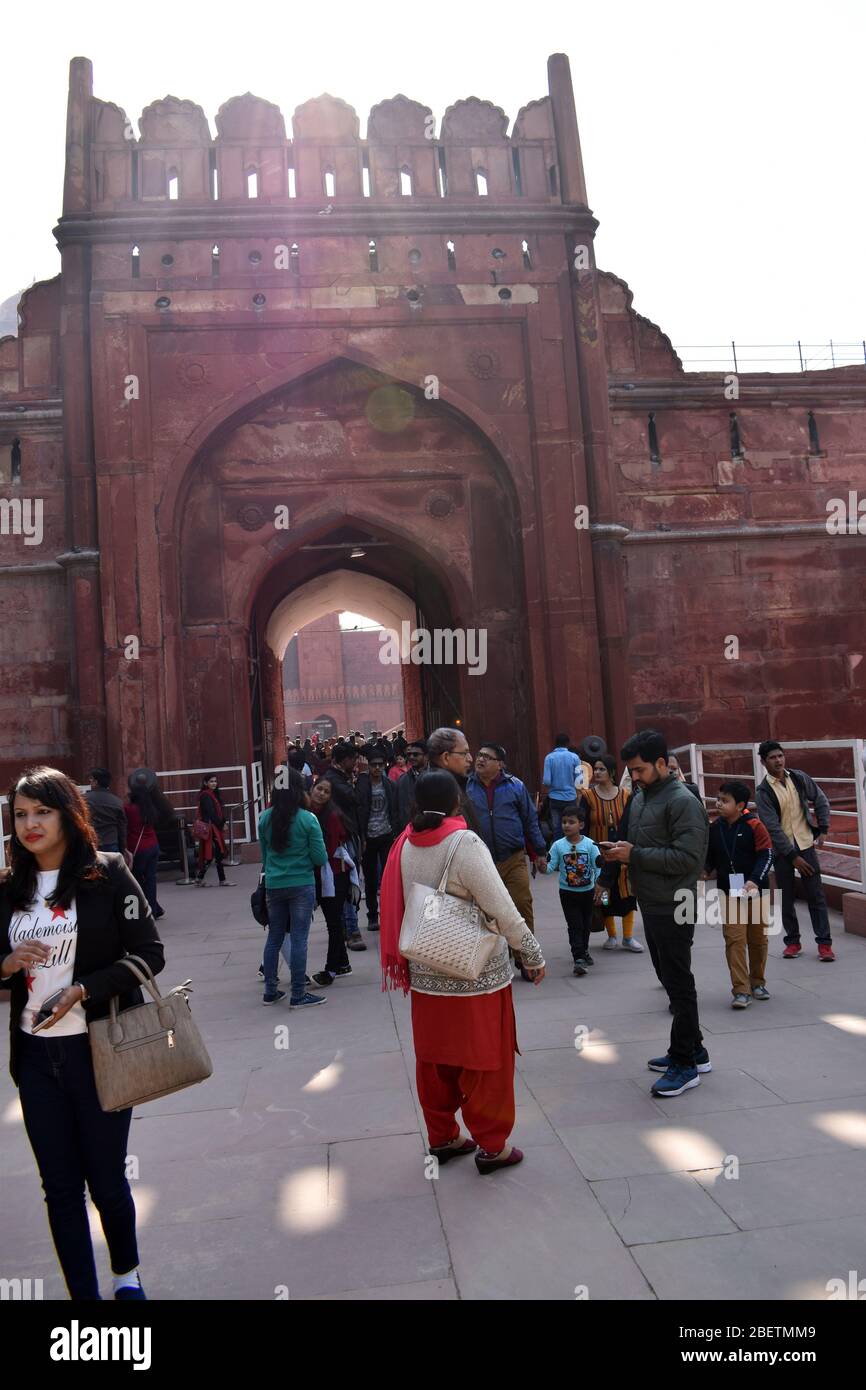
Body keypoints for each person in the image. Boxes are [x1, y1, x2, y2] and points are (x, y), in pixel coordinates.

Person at [0, 766, 164, 1301]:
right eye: (20, 814)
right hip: (35, 1059)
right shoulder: (9, 889)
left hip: (99, 1050)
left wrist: (84, 990)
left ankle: (126, 1276)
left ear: (68, 815)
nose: (30, 824)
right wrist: (6, 964)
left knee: (106, 1179)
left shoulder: (107, 873)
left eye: (42, 812)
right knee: (60, 1187)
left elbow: (150, 953)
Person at [379, 770, 546, 1174]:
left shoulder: (405, 843)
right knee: (485, 1060)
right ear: (457, 801)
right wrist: (531, 951)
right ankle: (492, 1146)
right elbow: (501, 907)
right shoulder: (464, 842)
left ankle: (443, 1136)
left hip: (427, 968)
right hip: (475, 974)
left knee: (436, 1059)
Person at [601, 729, 710, 1098]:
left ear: (662, 763)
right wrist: (621, 851)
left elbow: (688, 859)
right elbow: (642, 843)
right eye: (631, 771)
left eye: (640, 770)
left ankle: (685, 1063)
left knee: (678, 981)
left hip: (676, 901)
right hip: (651, 898)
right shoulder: (642, 796)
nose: (634, 777)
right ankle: (695, 1048)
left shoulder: (682, 800)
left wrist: (634, 855)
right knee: (667, 974)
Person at [466, 743, 547, 978]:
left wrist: (539, 851)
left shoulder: (515, 786)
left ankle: (526, 959)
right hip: (480, 861)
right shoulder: (466, 786)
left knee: (521, 905)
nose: (480, 759)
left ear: (500, 764)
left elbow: (530, 820)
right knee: (485, 913)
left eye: (487, 757)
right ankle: (493, 960)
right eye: (479, 755)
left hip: (513, 858)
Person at [755, 740, 834, 961]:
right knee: (786, 897)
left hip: (806, 844)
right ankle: (792, 942)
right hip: (782, 852)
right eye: (772, 758)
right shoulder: (763, 792)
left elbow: (821, 799)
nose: (778, 761)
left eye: (780, 756)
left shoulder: (798, 778)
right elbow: (772, 828)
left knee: (816, 895)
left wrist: (824, 828)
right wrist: (792, 857)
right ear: (763, 762)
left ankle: (824, 944)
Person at [257, 770, 328, 1008]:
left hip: (274, 884)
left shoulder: (264, 818)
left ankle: (270, 991)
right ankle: (298, 993)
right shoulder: (308, 819)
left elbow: (265, 857)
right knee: (299, 939)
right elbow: (320, 858)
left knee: (274, 937)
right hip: (301, 884)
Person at [704, 781, 773, 1008]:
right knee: (734, 939)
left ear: (740, 805)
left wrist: (754, 880)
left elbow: (766, 855)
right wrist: (704, 870)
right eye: (718, 799)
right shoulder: (715, 828)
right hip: (729, 891)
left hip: (756, 891)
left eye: (725, 801)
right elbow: (710, 857)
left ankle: (757, 982)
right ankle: (741, 990)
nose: (719, 804)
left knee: (758, 940)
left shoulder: (755, 825)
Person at [581, 755, 643, 952]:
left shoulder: (626, 795)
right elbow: (583, 826)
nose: (597, 772)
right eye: (596, 769)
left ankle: (628, 937)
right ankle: (612, 935)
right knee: (604, 895)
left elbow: (632, 824)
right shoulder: (588, 797)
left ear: (612, 772)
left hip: (622, 853)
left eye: (602, 769)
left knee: (627, 894)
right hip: (599, 855)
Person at [543, 802, 602, 975]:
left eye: (571, 822)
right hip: (568, 894)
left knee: (586, 925)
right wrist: (542, 867)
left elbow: (598, 867)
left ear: (581, 825)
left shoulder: (591, 845)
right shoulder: (557, 846)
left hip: (588, 892)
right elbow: (550, 867)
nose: (566, 825)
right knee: (574, 925)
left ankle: (584, 950)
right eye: (564, 822)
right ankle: (578, 958)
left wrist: (599, 887)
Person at [308, 778, 354, 988]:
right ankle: (343, 964)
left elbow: (327, 850)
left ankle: (330, 970)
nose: (322, 793)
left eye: (326, 791)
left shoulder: (332, 816)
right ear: (312, 788)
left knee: (333, 922)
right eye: (319, 788)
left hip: (335, 874)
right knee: (333, 920)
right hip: (323, 873)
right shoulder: (309, 812)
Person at [356, 752, 398, 930]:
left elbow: (394, 809)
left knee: (388, 878)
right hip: (369, 837)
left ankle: (387, 914)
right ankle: (372, 915)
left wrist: (395, 831)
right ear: (369, 766)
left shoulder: (389, 784)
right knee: (371, 879)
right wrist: (361, 836)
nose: (377, 768)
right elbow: (359, 810)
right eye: (374, 765)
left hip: (386, 835)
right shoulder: (362, 785)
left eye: (380, 764)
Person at [426, 727, 483, 833]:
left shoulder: (453, 784)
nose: (470, 759)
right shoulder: (439, 792)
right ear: (446, 757)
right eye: (464, 753)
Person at [125, 783, 165, 920]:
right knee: (151, 879)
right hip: (153, 846)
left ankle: (143, 910)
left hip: (138, 848)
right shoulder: (150, 808)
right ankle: (154, 910)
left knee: (137, 880)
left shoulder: (129, 809)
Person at [194, 775, 235, 887]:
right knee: (215, 854)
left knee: (214, 854)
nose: (214, 783)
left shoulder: (212, 794)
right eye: (211, 781)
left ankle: (200, 878)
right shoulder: (206, 796)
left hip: (213, 828)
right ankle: (221, 880)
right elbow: (211, 813)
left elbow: (218, 812)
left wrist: (222, 822)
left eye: (215, 781)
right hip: (211, 829)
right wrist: (221, 824)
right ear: (205, 783)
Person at [541, 734, 585, 838]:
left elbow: (547, 781)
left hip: (555, 798)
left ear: (555, 744)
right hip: (570, 797)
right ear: (567, 744)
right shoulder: (574, 757)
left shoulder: (549, 758)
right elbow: (580, 780)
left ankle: (559, 846)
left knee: (557, 827)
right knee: (572, 825)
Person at [84, 769, 127, 854]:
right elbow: (122, 828)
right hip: (111, 843)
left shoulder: (84, 799)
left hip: (92, 842)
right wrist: (123, 849)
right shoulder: (117, 802)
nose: (90, 782)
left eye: (91, 779)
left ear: (96, 782)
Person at [394, 740, 429, 832]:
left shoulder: (437, 777)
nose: (411, 757)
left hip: (432, 830)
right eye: (409, 754)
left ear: (426, 756)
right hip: (409, 831)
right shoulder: (402, 780)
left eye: (415, 754)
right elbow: (396, 808)